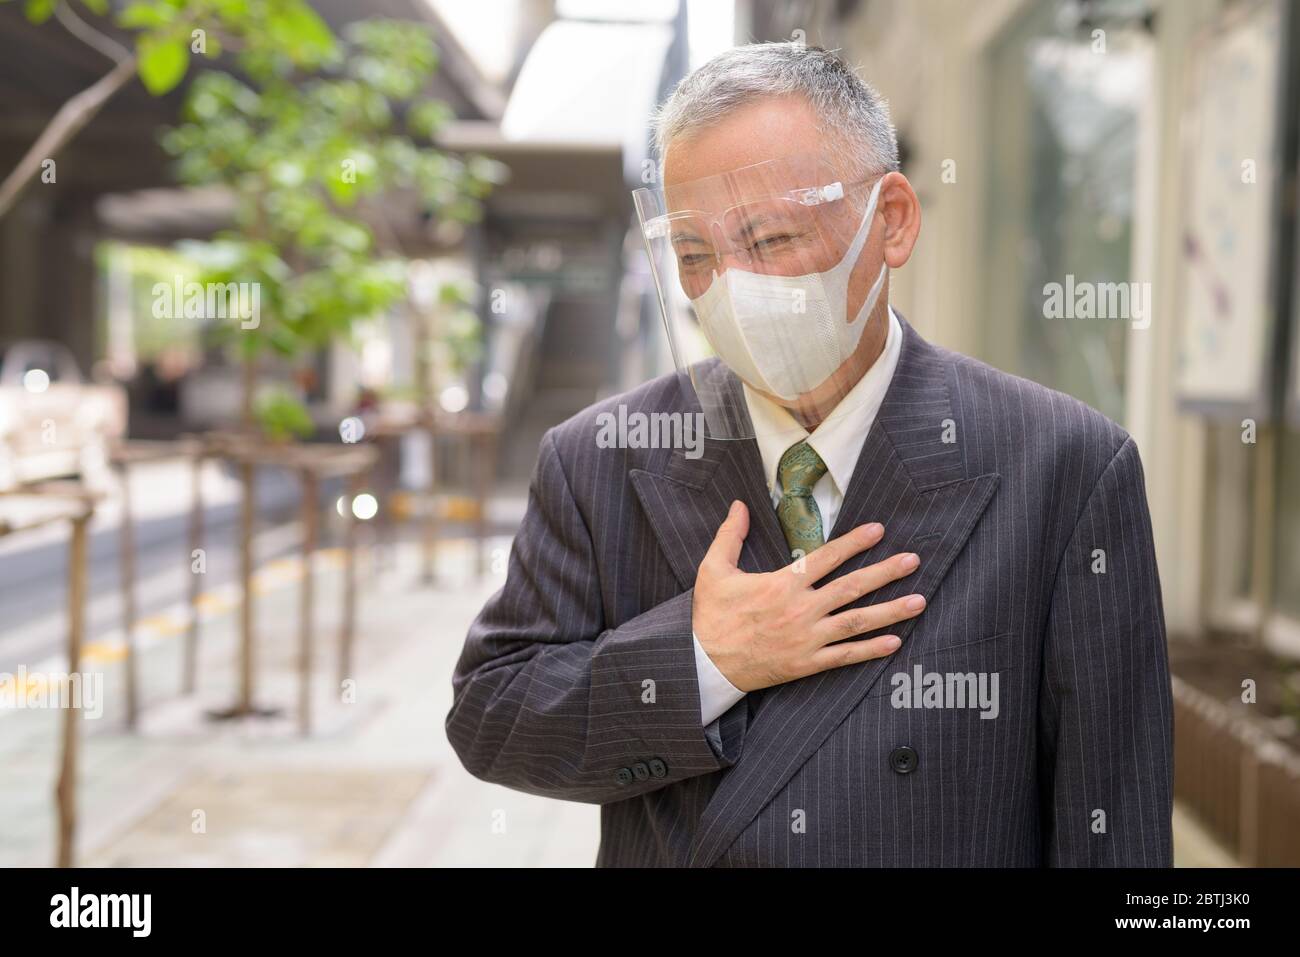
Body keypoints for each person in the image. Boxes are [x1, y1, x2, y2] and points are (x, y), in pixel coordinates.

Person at [446, 42, 1173, 867]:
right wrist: (700, 660)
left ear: (890, 220)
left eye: (771, 238)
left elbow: (1116, 825)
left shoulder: (1065, 465)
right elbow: (491, 716)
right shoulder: (599, 459)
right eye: (693, 255)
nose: (730, 286)